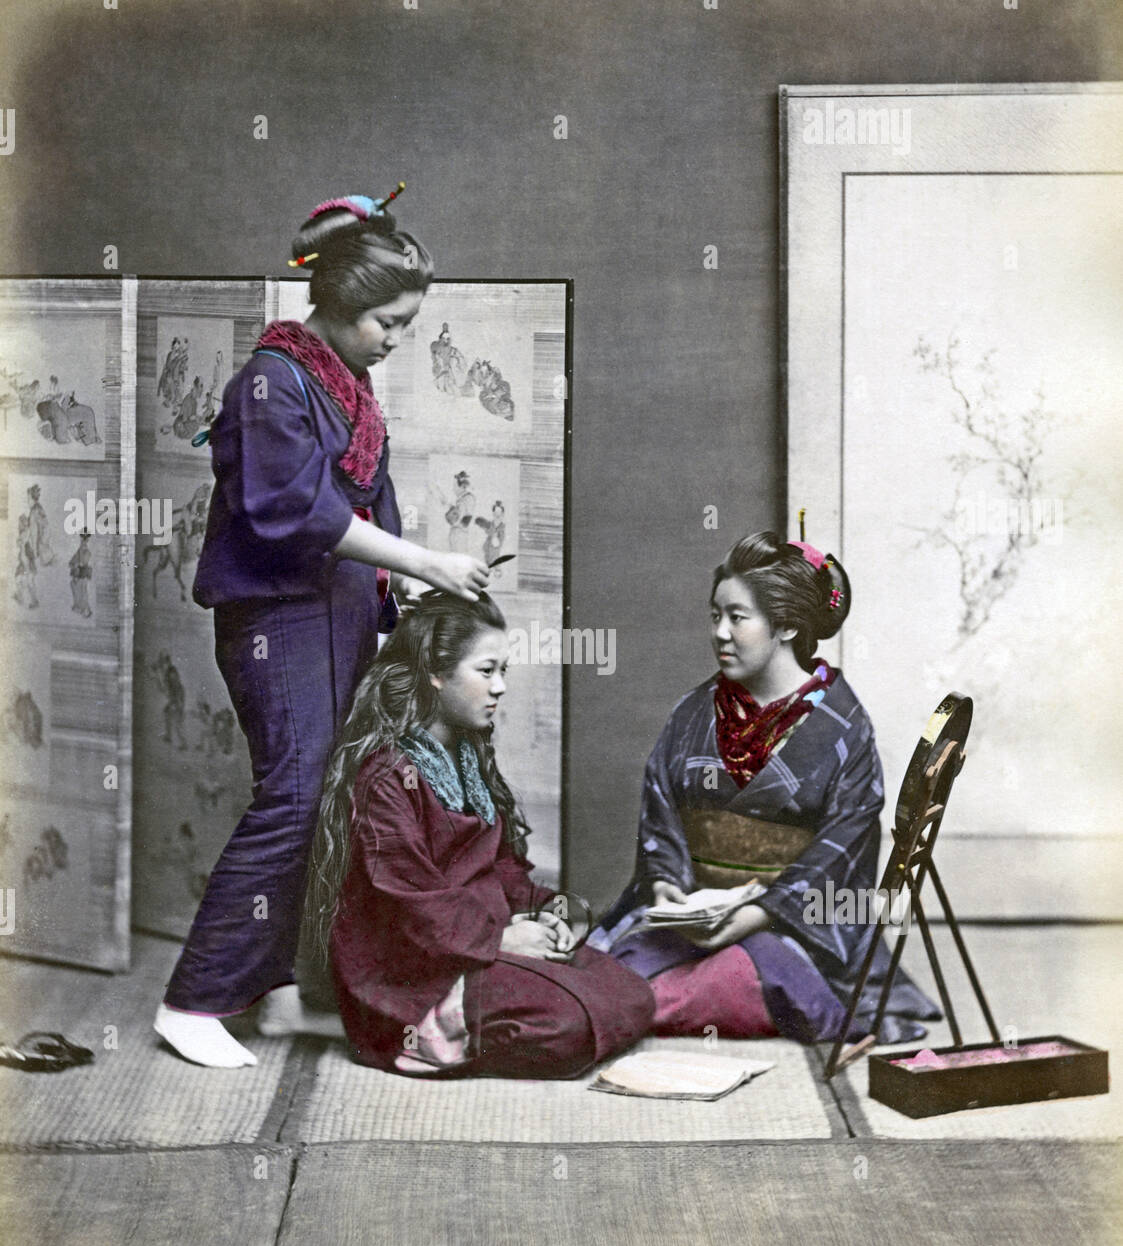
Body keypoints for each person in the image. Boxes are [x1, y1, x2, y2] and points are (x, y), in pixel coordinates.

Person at [155, 188, 490, 1068]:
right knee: (296, 795)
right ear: (339, 303)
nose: (395, 339)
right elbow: (294, 510)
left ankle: (274, 988)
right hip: (278, 617)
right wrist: (424, 562)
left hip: (334, 612)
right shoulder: (269, 381)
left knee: (331, 797)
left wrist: (403, 586)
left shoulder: (344, 382)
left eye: (406, 324)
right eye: (388, 321)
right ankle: (192, 1001)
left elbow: (368, 500)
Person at [588, 529, 940, 1046]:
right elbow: (661, 817)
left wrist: (756, 914)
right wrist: (666, 884)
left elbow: (843, 849)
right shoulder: (692, 713)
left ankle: (645, 1001)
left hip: (788, 927)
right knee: (616, 963)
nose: (720, 633)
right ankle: (641, 995)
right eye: (715, 615)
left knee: (746, 978)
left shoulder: (844, 728)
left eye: (738, 617)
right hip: (695, 918)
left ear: (788, 625)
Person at [306, 590, 655, 1078]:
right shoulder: (385, 777)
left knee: (634, 994)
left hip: (478, 944)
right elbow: (411, 905)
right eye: (486, 671)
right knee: (568, 1023)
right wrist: (501, 939)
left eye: (503, 671)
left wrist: (549, 912)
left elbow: (500, 867)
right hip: (417, 974)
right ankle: (422, 1034)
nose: (500, 687)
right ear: (435, 673)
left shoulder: (468, 755)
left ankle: (495, 1006)